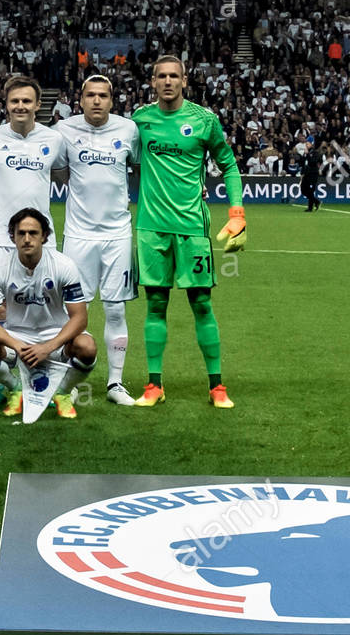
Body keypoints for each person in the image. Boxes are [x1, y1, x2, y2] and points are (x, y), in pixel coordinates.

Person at [131, 55, 245, 409]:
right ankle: (154, 386)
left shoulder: (204, 121)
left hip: (192, 227)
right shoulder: (139, 120)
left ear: (184, 81)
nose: (167, 81)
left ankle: (217, 387)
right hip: (151, 228)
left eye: (174, 76)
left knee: (201, 303)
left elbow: (228, 165)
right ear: (152, 81)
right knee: (155, 304)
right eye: (161, 76)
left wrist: (237, 212)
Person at [0, 74, 68, 407]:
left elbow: (65, 174)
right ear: (5, 105)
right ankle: (11, 384)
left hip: (42, 242)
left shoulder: (54, 139)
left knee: (43, 313)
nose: (20, 106)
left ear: (38, 105)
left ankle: (45, 380)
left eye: (26, 101)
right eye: (14, 101)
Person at [55, 73, 141, 406]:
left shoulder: (128, 130)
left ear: (112, 99)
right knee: (74, 309)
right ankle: (68, 377)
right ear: (80, 99)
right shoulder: (66, 130)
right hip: (78, 234)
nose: (96, 101)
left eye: (103, 95)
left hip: (118, 234)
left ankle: (115, 383)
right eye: (90, 95)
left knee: (116, 308)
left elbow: (137, 164)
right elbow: (61, 171)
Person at [0, 208, 95, 420]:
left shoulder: (64, 265)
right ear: (13, 237)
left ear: (44, 236)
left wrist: (48, 347)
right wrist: (16, 345)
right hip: (17, 340)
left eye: (33, 233)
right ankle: (16, 387)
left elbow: (80, 318)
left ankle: (62, 393)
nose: (27, 239)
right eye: (21, 233)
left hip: (55, 339)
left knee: (87, 347)